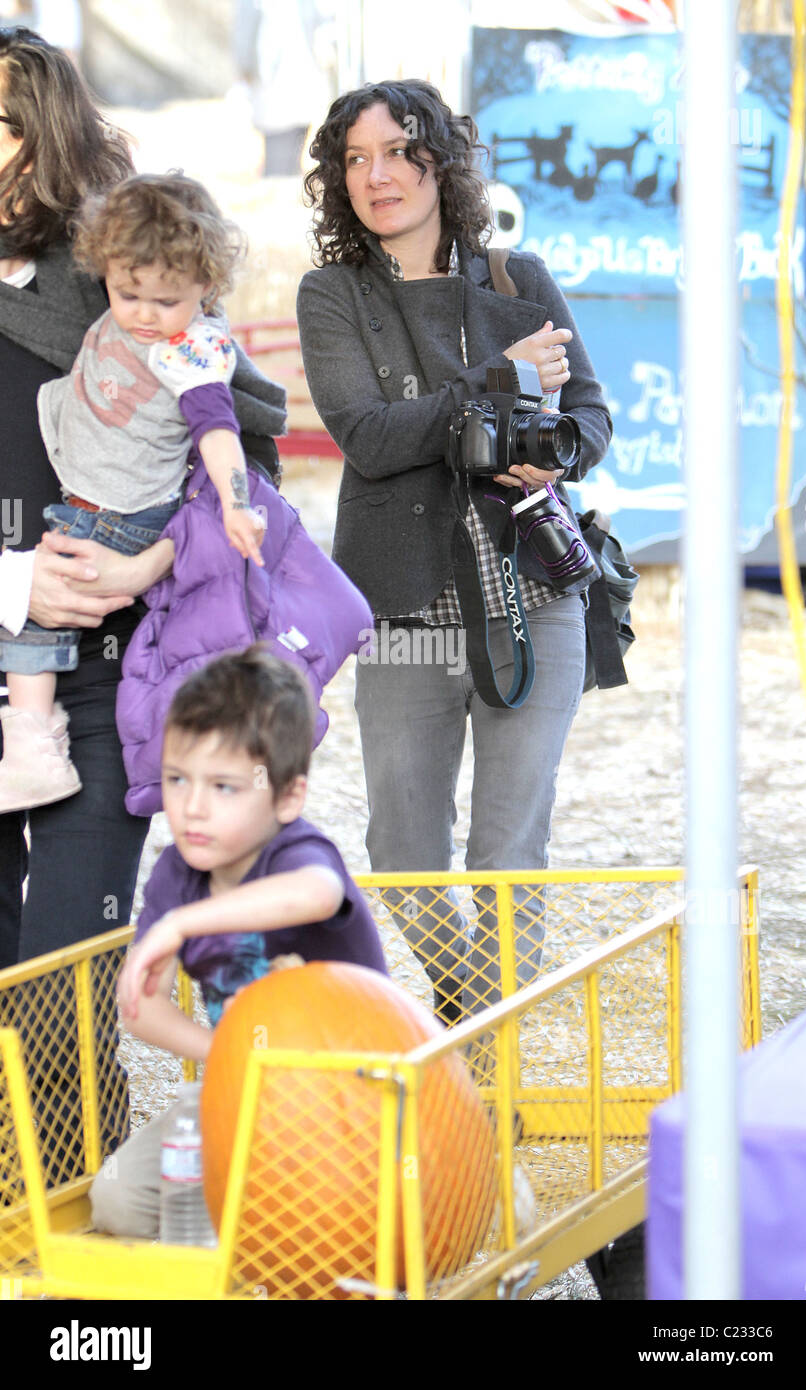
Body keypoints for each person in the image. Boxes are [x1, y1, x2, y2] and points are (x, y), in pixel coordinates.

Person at [297, 79, 612, 1023]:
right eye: (354, 159)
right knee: (400, 853)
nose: (376, 175)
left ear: (440, 160)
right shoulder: (332, 295)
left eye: (397, 151)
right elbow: (369, 436)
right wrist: (497, 385)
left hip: (532, 597)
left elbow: (590, 416)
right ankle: (472, 1000)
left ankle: (493, 1061)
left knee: (509, 851)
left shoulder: (519, 280)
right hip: (400, 608)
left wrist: (557, 464)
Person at [0, 26, 285, 968]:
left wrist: (147, 560)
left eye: (2, 123)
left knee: (65, 972)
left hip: (110, 670)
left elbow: (248, 464)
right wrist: (14, 588)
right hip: (15, 635)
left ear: (49, 137)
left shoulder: (131, 278)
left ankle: (69, 1117)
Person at [90, 647, 388, 1238]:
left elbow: (317, 894)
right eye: (177, 780)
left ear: (286, 797)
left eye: (224, 787)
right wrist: (224, 1052)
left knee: (332, 1223)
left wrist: (181, 927)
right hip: (248, 1090)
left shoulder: (297, 852)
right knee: (117, 1200)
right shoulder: (178, 872)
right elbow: (142, 1008)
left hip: (357, 1098)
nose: (192, 807)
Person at [0, 172, 266, 812]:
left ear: (207, 286)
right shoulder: (122, 301)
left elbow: (219, 433)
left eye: (167, 300)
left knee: (40, 605)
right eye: (128, 293)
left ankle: (33, 744)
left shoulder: (191, 350)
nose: (146, 315)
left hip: (123, 511)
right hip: (98, 489)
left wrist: (234, 503)